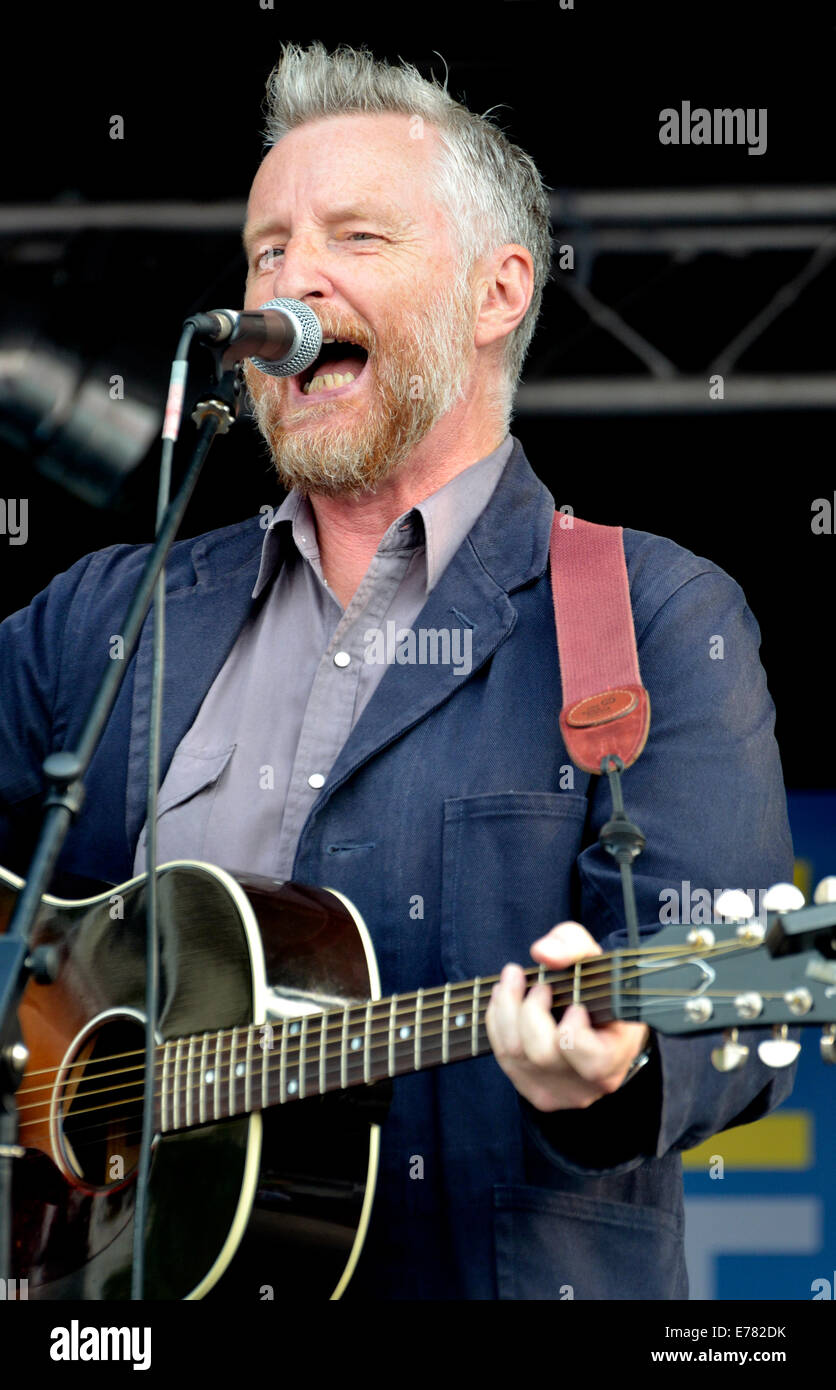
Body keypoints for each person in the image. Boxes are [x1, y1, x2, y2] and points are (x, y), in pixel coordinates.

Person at [0, 42, 795, 1300]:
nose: (287, 281)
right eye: (266, 249)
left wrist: (618, 1067)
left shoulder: (644, 612)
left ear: (498, 291)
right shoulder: (110, 611)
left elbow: (712, 983)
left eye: (353, 236)